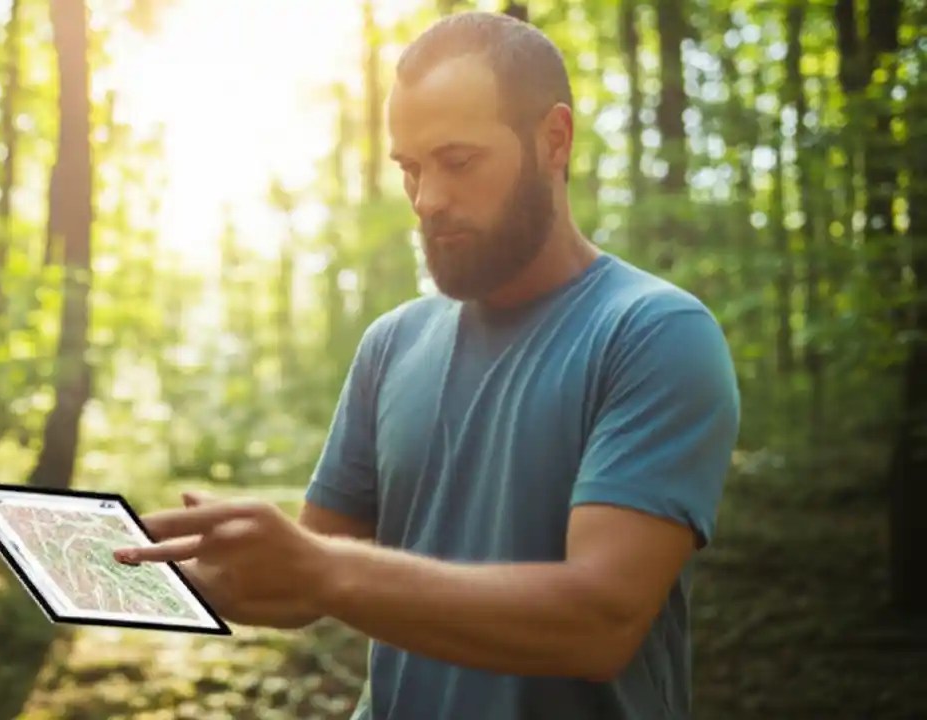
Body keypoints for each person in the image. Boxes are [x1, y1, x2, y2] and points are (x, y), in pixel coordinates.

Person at [114, 10, 740, 720]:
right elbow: (308, 581)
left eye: (458, 161)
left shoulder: (654, 334)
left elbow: (598, 625)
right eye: (410, 169)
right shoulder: (392, 343)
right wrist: (199, 577)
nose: (427, 200)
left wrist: (320, 568)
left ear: (553, 140)